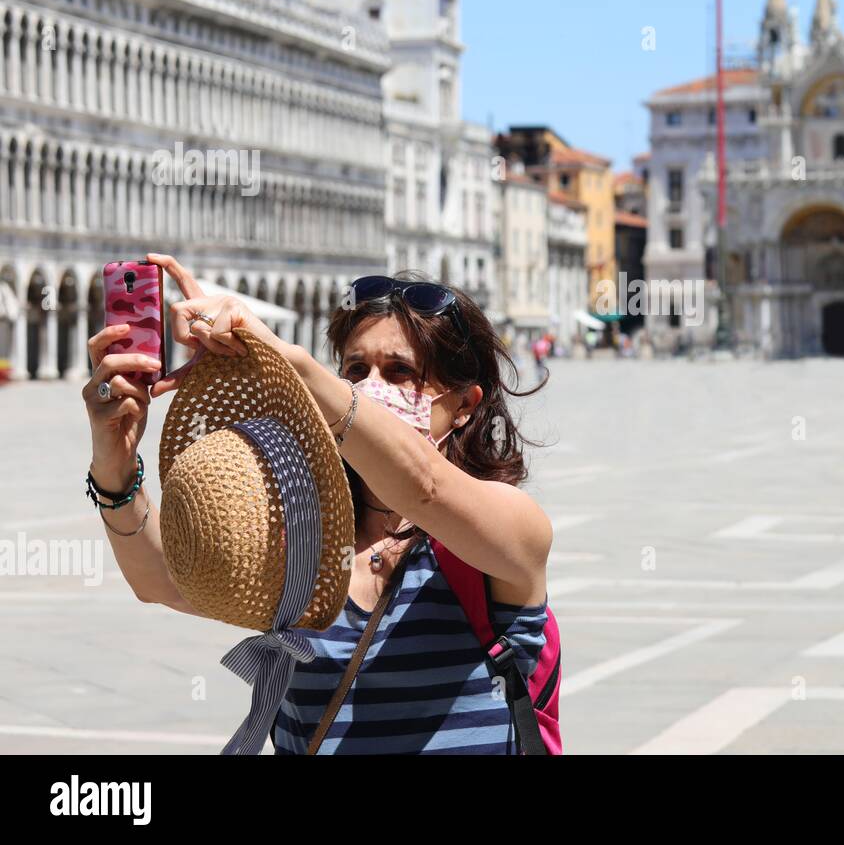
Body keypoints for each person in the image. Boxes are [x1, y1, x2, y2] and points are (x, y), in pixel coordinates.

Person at [82, 254, 555, 754]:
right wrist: (114, 467)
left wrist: (286, 362)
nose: (371, 387)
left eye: (400, 371)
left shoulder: (510, 526)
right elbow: (164, 581)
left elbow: (424, 486)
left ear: (464, 406)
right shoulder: (306, 529)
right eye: (355, 368)